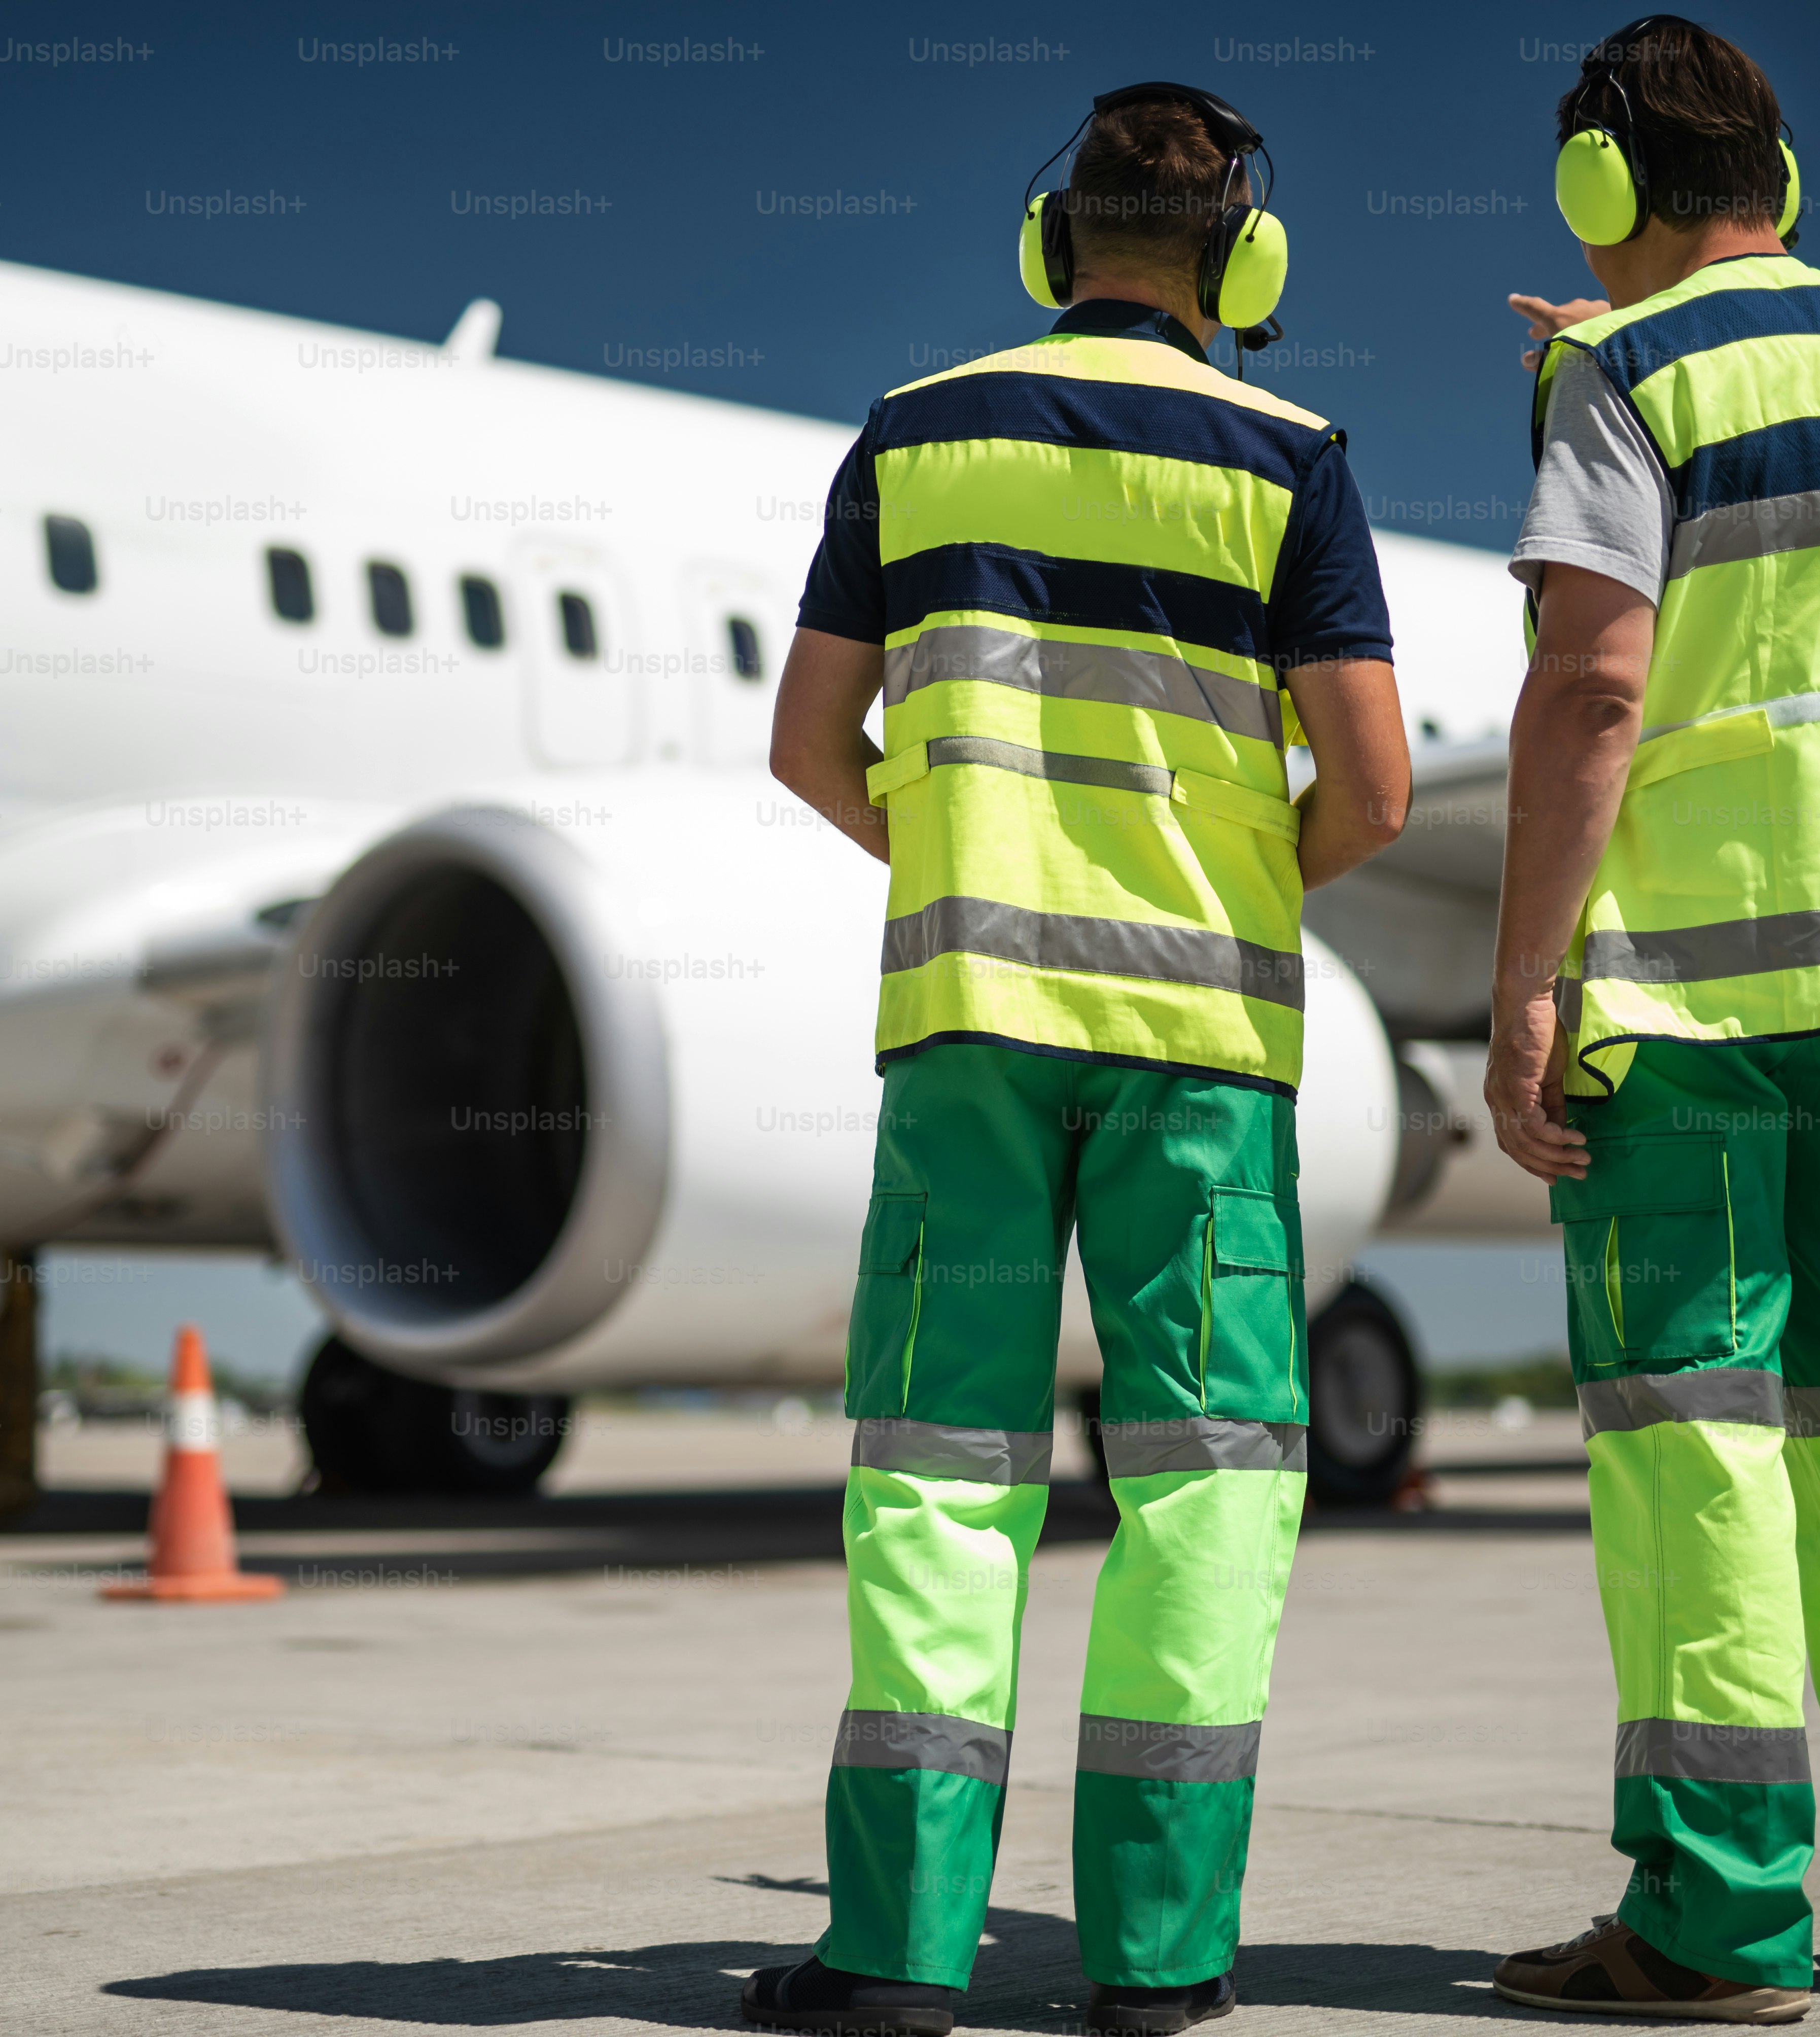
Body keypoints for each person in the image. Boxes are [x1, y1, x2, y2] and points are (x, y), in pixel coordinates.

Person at [746, 81, 1409, 2037]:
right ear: (1240, 264)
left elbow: (804, 745)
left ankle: (893, 1958)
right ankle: (1162, 1966)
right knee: (1206, 1484)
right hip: (1199, 1044)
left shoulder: (913, 435)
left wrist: (965, 862)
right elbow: (1368, 784)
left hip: (968, 1031)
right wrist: (1216, 886)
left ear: (1056, 244)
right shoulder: (1294, 459)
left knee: (941, 1482)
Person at [1482, 16, 1820, 2023]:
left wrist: (1525, 975)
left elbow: (1600, 691)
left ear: (1599, 190)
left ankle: (1710, 1920)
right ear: (1777, 183)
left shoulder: (1626, 377)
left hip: (1697, 994)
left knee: (1691, 1443)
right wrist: (1606, 360)